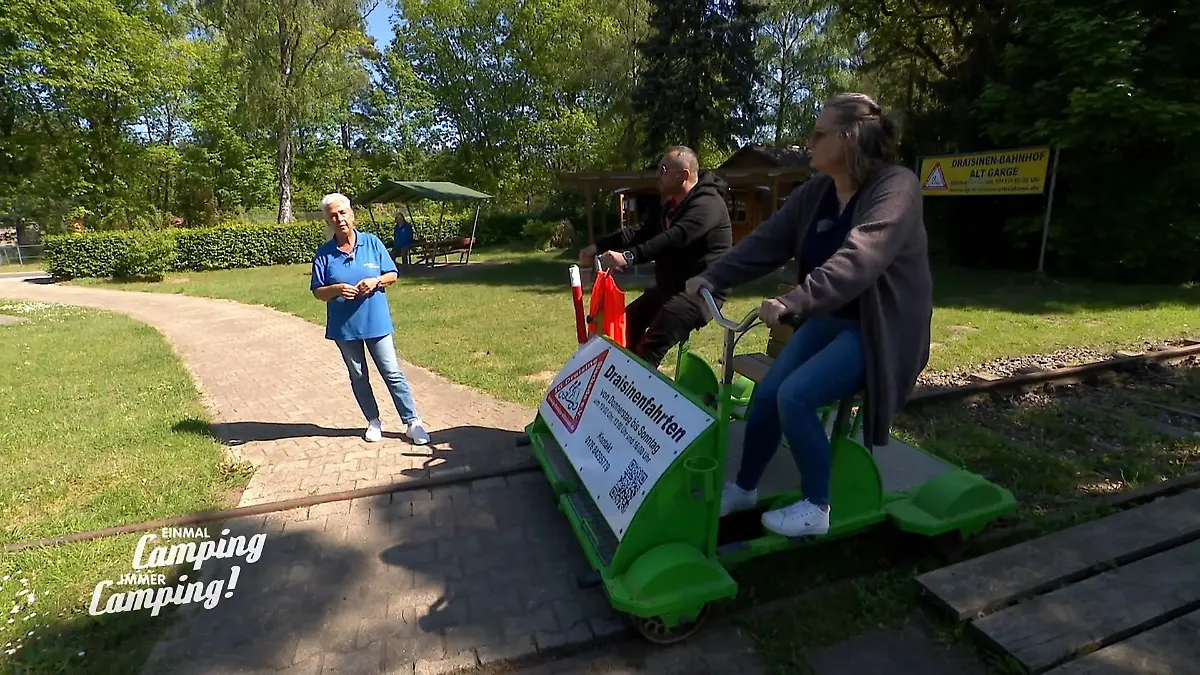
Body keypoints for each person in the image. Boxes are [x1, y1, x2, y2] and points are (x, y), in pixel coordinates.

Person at [685, 93, 933, 538]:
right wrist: (713, 277)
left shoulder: (895, 188)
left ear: (849, 138)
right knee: (768, 395)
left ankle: (816, 507)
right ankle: (744, 488)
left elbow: (861, 256)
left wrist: (792, 302)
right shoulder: (816, 193)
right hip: (829, 318)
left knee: (795, 397)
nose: (809, 141)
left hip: (877, 331)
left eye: (819, 134)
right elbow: (767, 241)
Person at [578, 145, 733, 367]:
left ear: (684, 175)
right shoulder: (671, 206)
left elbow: (674, 238)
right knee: (624, 327)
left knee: (650, 347)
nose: (657, 176)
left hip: (701, 294)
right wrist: (598, 246)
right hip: (670, 288)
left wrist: (628, 257)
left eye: (663, 170)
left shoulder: (708, 205)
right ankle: (614, 386)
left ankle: (637, 392)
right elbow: (640, 231)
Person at [310, 192, 431, 445]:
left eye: (342, 212)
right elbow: (317, 291)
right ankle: (373, 421)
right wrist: (337, 289)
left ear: (351, 214)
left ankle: (412, 422)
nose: (339, 219)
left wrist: (375, 281)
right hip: (344, 327)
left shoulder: (372, 243)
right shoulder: (325, 253)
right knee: (358, 376)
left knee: (392, 371)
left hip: (376, 321)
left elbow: (392, 274)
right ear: (328, 222)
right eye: (333, 215)